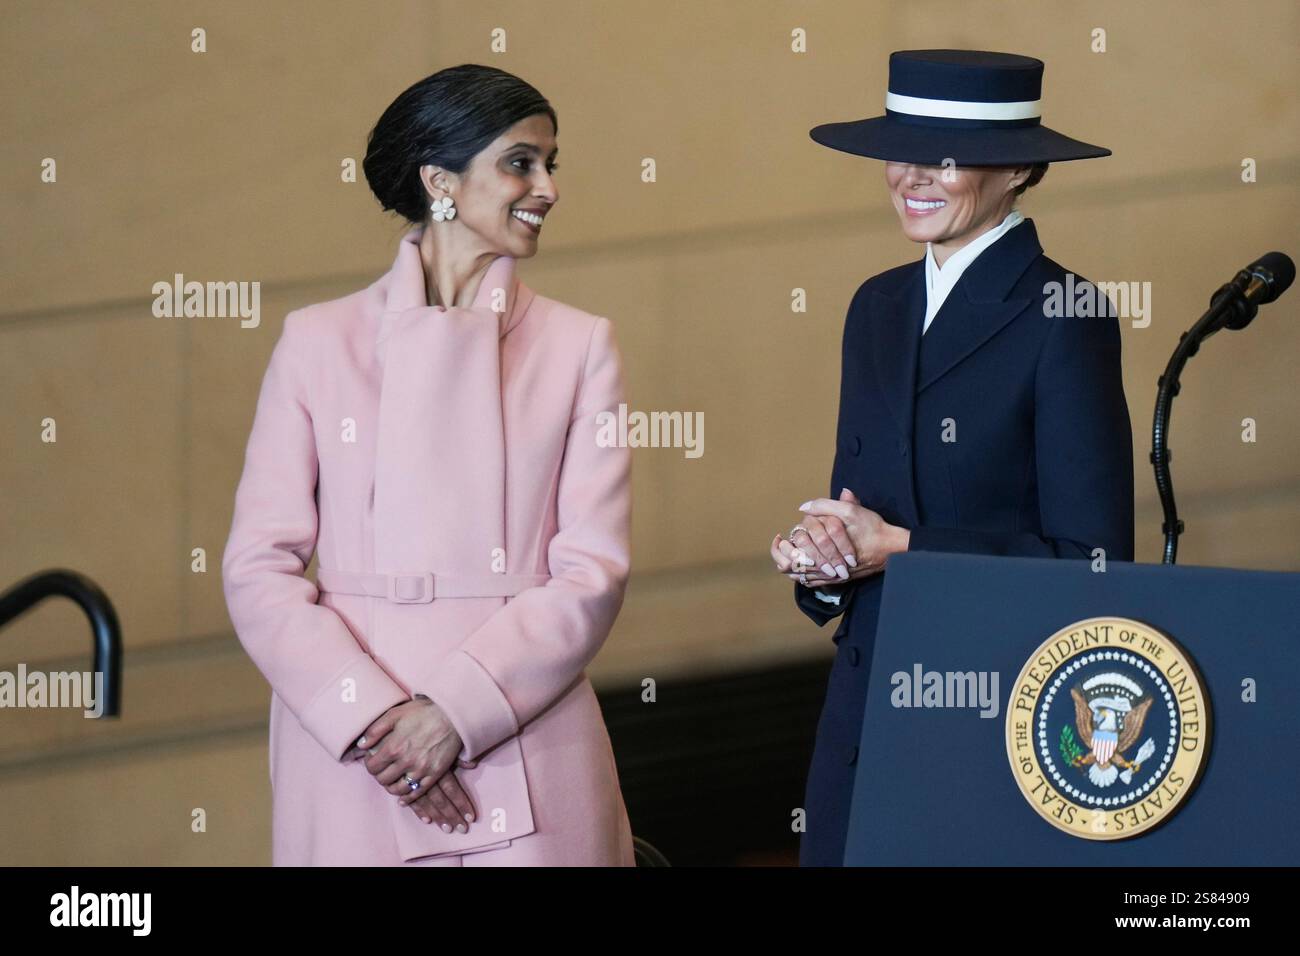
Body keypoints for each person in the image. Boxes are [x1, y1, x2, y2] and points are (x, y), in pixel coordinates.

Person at [222, 64, 635, 866]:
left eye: (552, 164)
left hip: (522, 728)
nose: (547, 187)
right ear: (441, 181)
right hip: (351, 749)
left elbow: (593, 571)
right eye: (521, 162)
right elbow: (257, 568)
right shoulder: (317, 342)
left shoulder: (580, 346)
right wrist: (378, 723)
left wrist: (455, 710)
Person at [769, 50, 1134, 866]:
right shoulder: (876, 306)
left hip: (993, 718)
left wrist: (899, 551)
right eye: (902, 150)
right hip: (863, 713)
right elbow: (857, 518)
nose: (912, 177)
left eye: (947, 155)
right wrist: (822, 561)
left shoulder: (1063, 316)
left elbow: (1096, 566)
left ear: (1019, 167)